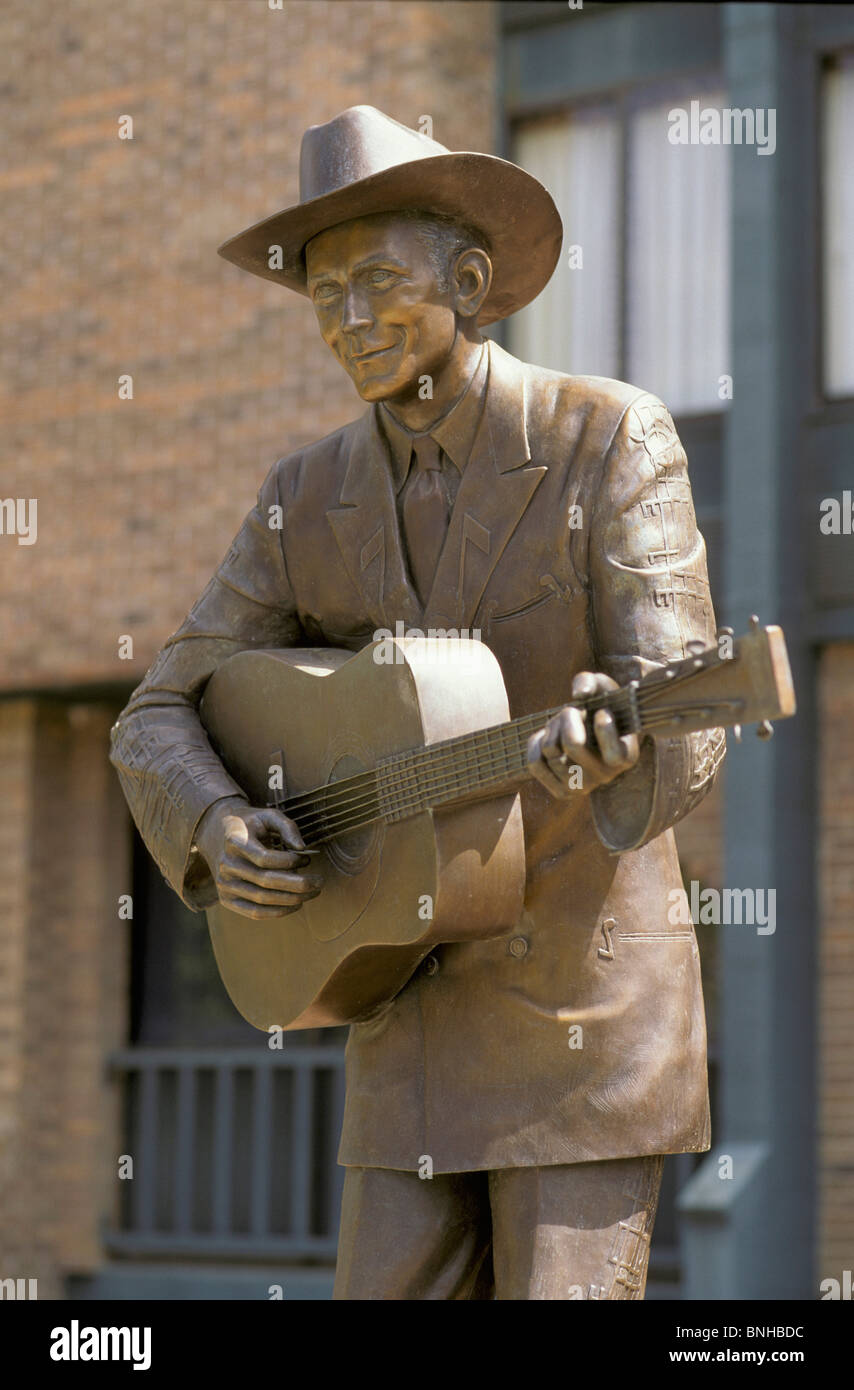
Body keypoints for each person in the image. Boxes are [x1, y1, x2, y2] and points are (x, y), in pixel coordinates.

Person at [110, 106, 725, 1300]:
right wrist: (214, 824)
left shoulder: (608, 437)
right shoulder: (305, 492)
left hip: (582, 1020)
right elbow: (155, 709)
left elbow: (685, 708)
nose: (345, 321)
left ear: (471, 280)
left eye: (376, 283)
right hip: (405, 1013)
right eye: (323, 292)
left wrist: (619, 745)